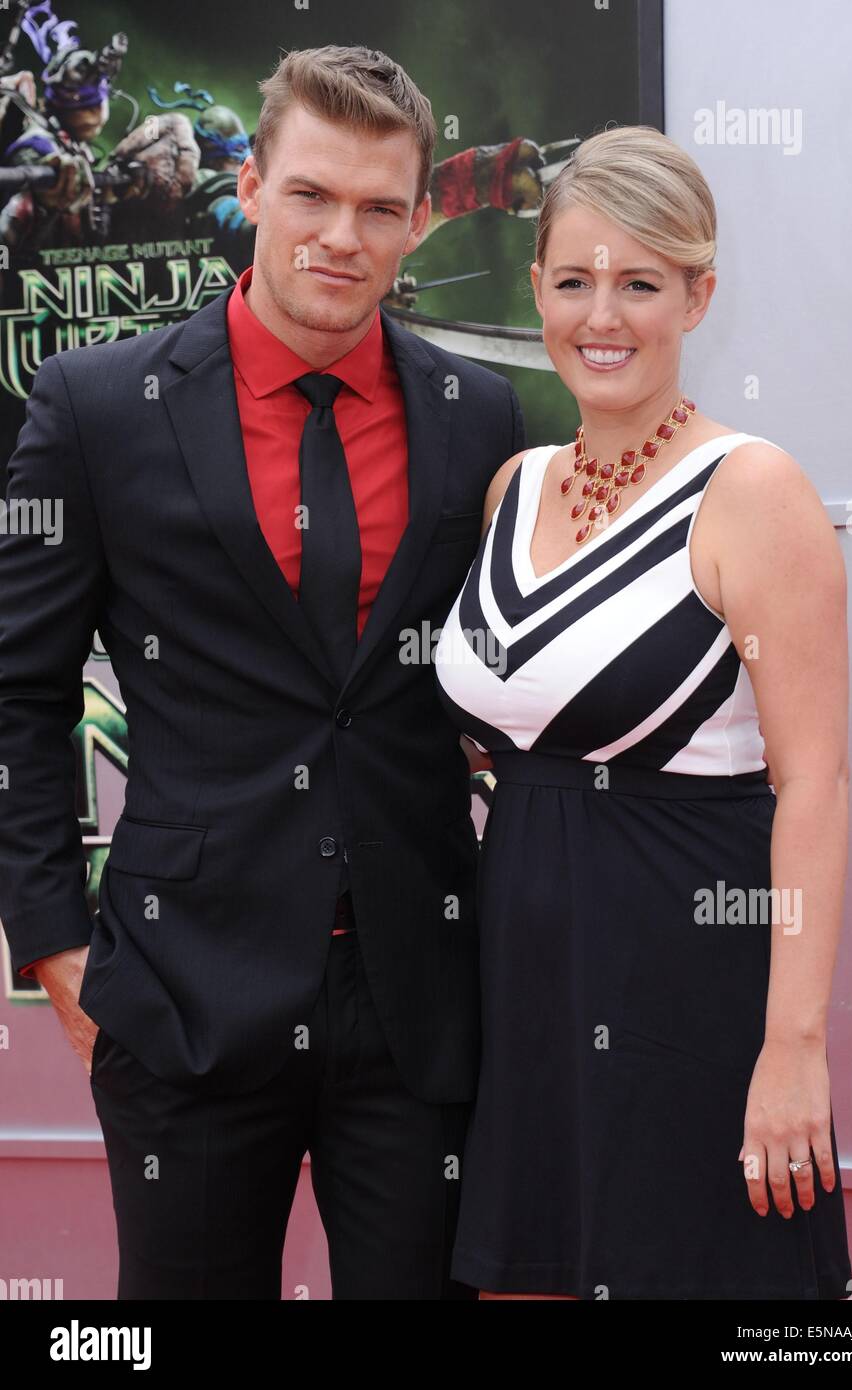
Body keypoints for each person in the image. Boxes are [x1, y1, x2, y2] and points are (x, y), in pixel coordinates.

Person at [0, 45, 525, 1300]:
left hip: (420, 999)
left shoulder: (479, 412)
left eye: (380, 208)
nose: (343, 236)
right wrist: (57, 949)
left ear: (414, 221)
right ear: (250, 183)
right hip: (184, 988)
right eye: (312, 195)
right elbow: (19, 690)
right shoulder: (98, 405)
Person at [434, 124, 852, 1300]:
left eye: (641, 283)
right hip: (526, 994)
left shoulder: (752, 490)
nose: (601, 315)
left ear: (698, 295)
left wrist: (794, 1046)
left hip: (691, 993)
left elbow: (812, 783)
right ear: (536, 290)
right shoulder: (513, 488)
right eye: (574, 281)